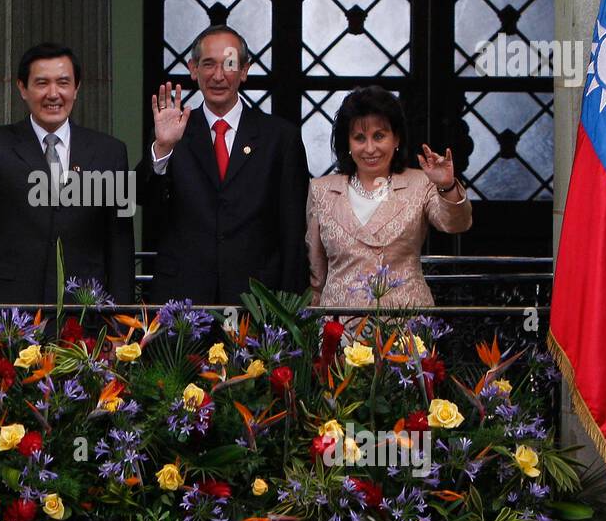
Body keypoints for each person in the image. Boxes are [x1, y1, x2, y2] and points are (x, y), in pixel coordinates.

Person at [0, 43, 135, 304]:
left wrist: (120, 319)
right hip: (8, 311)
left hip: (83, 308)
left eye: (63, 82)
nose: (53, 94)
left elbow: (121, 240)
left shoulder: (112, 151)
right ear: (22, 88)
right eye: (41, 83)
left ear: (77, 87)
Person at [136, 24, 309, 304]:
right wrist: (163, 148)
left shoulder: (280, 138)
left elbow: (293, 229)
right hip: (184, 301)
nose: (218, 76)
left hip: (256, 300)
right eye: (208, 64)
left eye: (228, 65)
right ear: (193, 69)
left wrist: (288, 307)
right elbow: (141, 197)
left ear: (243, 70)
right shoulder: (173, 131)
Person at [306, 85, 471, 308]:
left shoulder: (420, 183)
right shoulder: (321, 190)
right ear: (348, 143)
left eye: (379, 136)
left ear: (397, 139)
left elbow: (456, 224)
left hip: (406, 326)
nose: (370, 148)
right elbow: (316, 272)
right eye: (359, 138)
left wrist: (447, 186)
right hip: (341, 326)